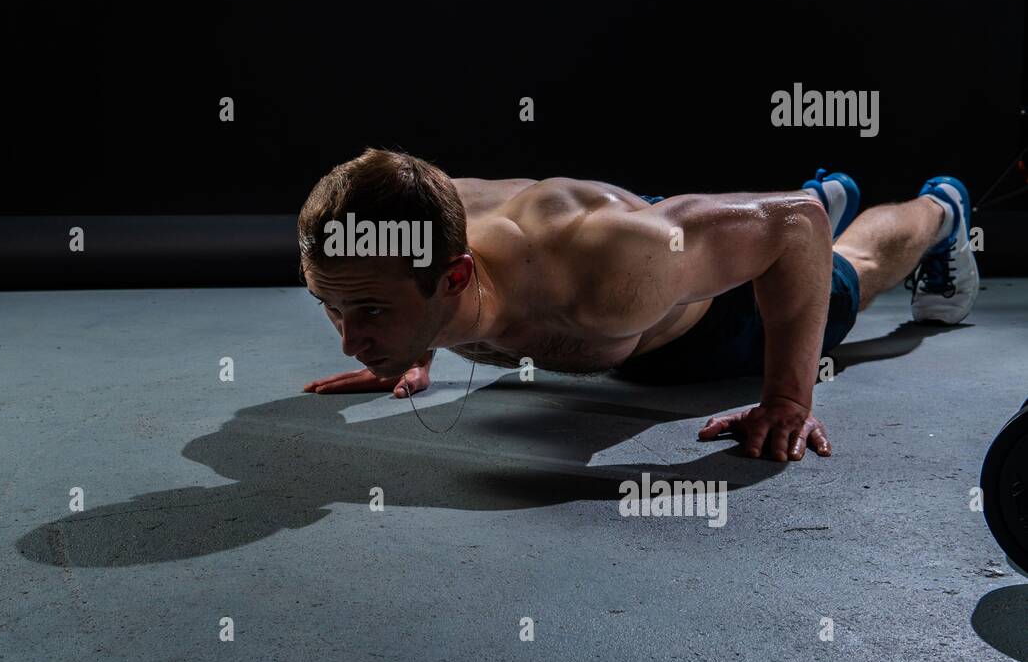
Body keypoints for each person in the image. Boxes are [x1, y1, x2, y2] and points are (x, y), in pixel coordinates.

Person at [298, 149, 979, 462]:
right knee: (714, 232)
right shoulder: (399, 235)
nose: (346, 338)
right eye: (332, 307)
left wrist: (788, 402)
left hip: (703, 322)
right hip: (651, 246)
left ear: (453, 280)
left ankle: (941, 211)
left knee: (842, 263)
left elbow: (797, 224)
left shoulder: (607, 273)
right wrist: (396, 341)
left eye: (372, 314)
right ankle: (755, 219)